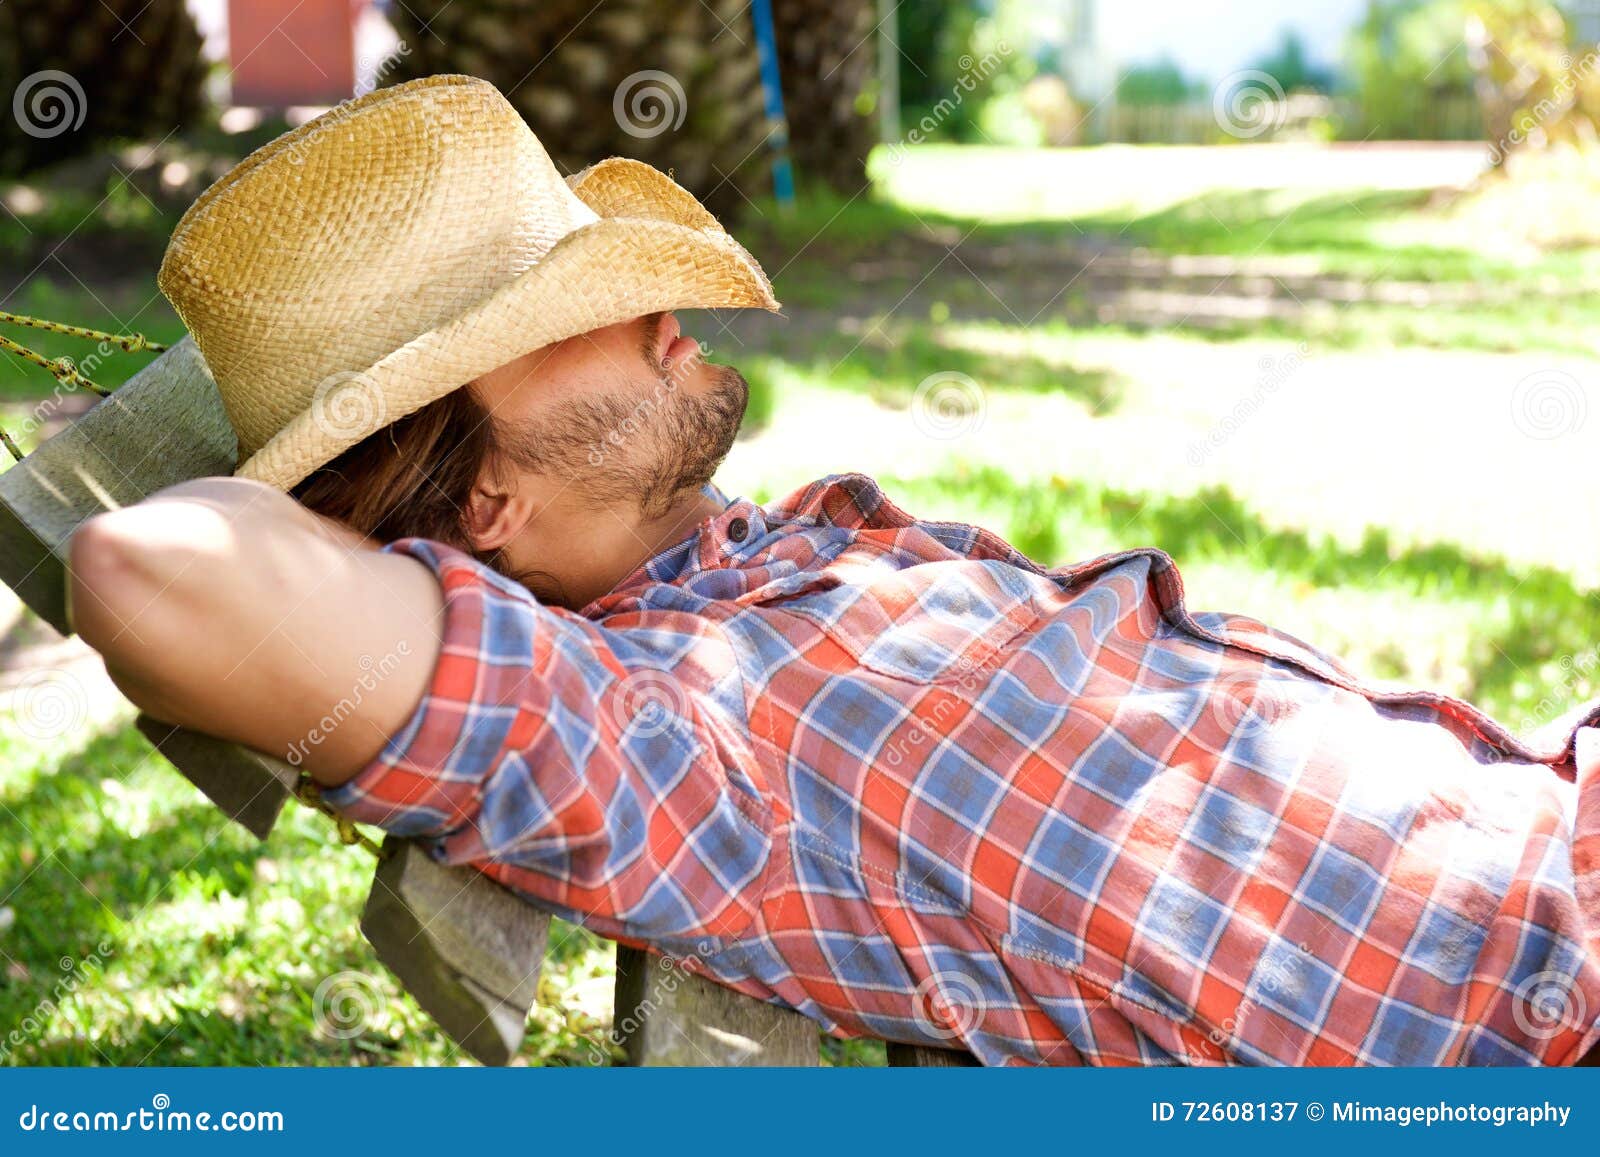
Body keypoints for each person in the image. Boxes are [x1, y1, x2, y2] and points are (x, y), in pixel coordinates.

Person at [67, 76, 1600, 1066]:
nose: (661, 304)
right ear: (483, 494)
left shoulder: (775, 557)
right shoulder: (654, 739)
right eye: (560, 313)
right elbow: (158, 571)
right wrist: (342, 477)